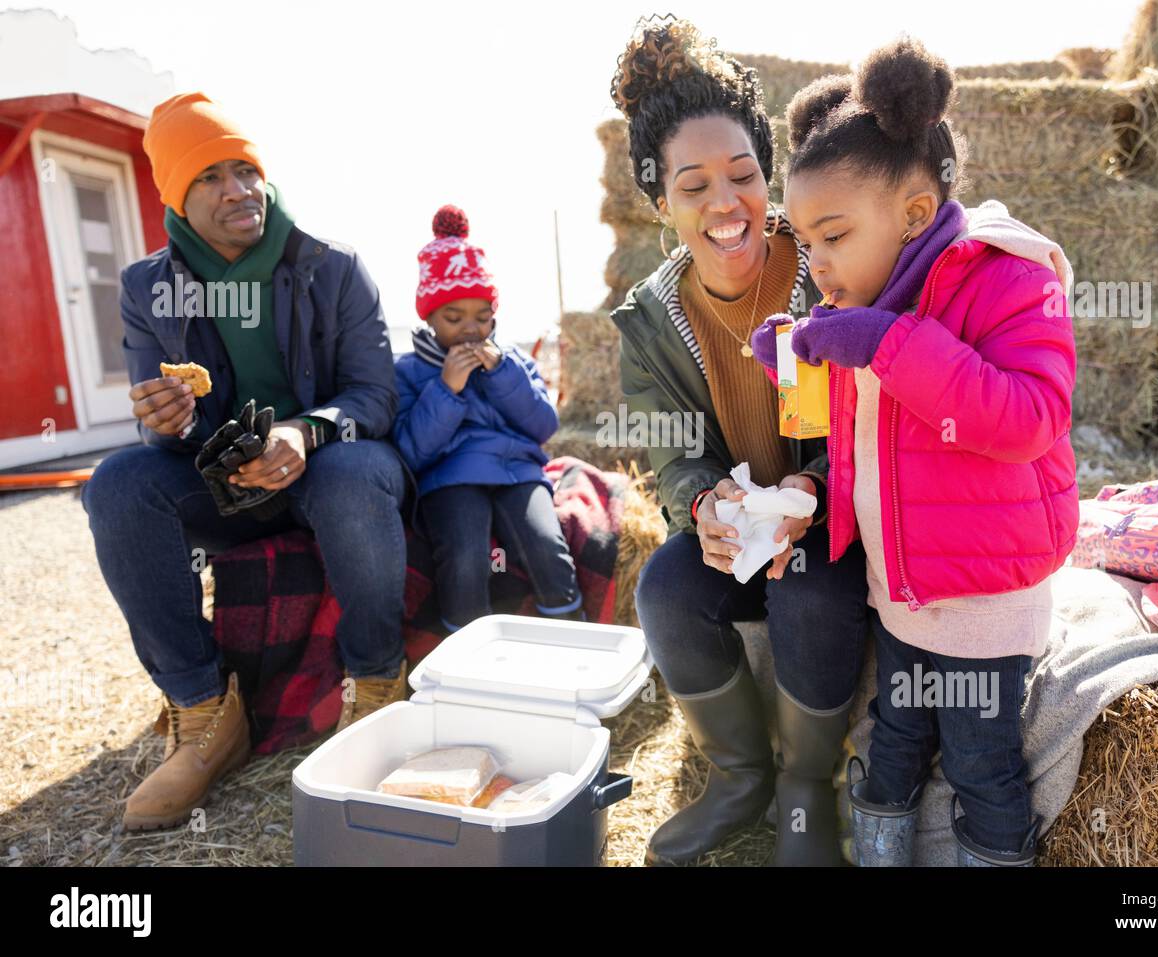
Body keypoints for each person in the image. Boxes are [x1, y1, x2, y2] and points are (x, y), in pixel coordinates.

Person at [751, 38, 1079, 866]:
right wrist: (806, 363)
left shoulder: (1008, 277)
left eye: (833, 235)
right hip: (901, 592)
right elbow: (879, 439)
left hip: (984, 596)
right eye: (807, 240)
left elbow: (1028, 417)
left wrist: (890, 343)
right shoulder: (871, 294)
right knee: (890, 745)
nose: (815, 261)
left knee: (979, 762)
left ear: (914, 214)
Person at [81, 92, 412, 831]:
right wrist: (173, 423)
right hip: (225, 482)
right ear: (175, 196)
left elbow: (374, 396)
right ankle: (205, 714)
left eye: (244, 170)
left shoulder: (334, 268)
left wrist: (305, 432)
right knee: (118, 485)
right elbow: (165, 425)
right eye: (209, 178)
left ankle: (379, 686)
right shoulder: (146, 289)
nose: (237, 190)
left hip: (331, 471)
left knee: (355, 473)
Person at [608, 16, 870, 867]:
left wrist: (817, 492)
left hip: (840, 523)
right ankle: (739, 776)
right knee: (667, 584)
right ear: (661, 204)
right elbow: (671, 452)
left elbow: (881, 416)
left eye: (744, 175)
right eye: (694, 186)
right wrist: (703, 502)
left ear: (773, 177)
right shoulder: (650, 320)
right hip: (740, 537)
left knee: (813, 590)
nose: (726, 204)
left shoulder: (827, 269)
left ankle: (805, 789)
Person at [392, 205, 582, 632]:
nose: (470, 330)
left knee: (546, 544)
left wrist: (502, 376)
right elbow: (409, 452)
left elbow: (543, 426)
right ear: (429, 317)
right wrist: (446, 390)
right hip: (449, 478)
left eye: (482, 317)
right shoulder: (408, 370)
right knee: (463, 552)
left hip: (517, 471)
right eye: (453, 318)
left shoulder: (512, 361)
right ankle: (464, 649)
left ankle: (572, 632)